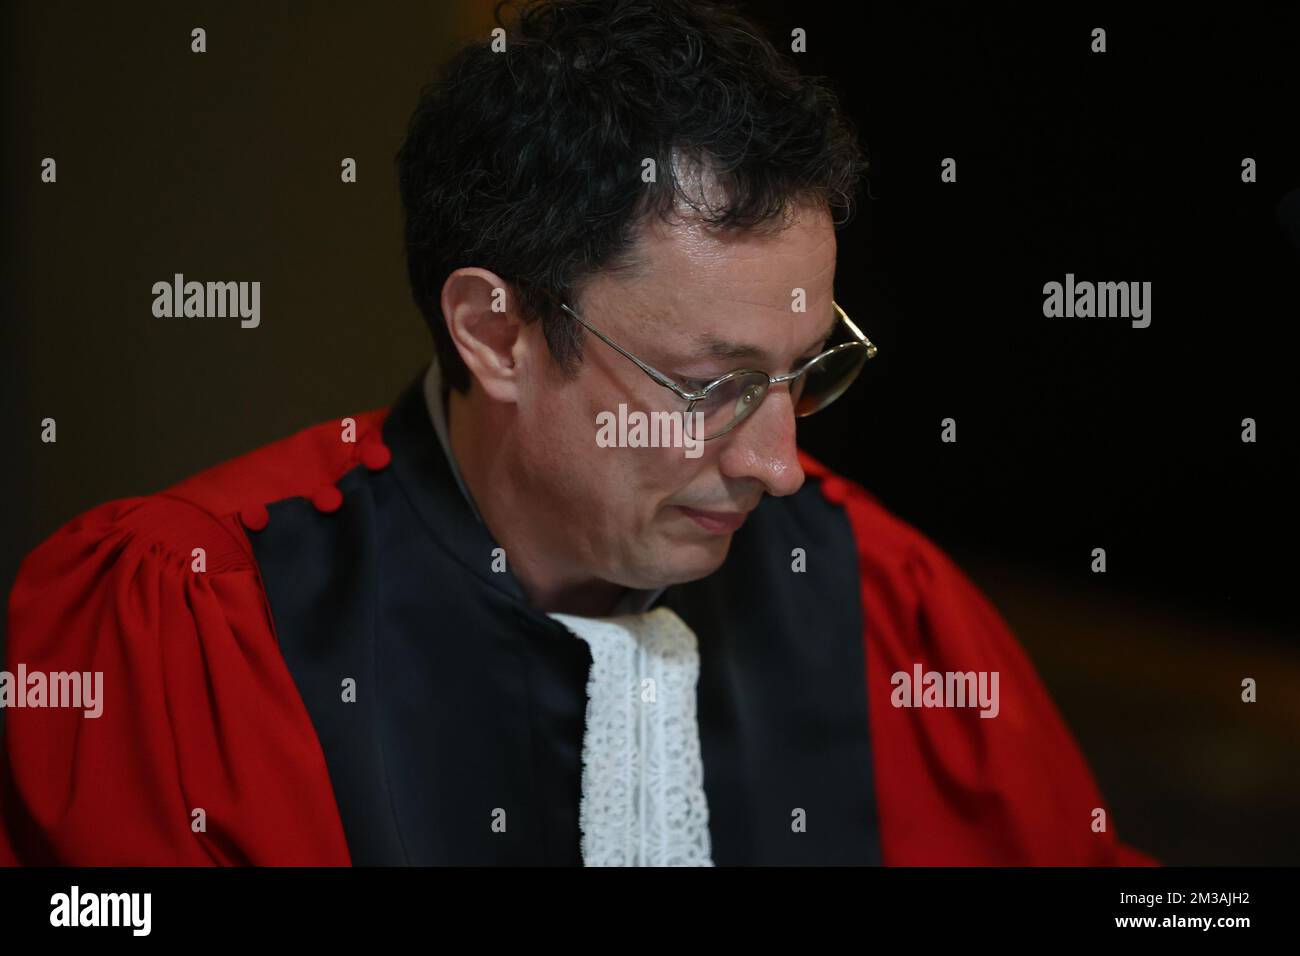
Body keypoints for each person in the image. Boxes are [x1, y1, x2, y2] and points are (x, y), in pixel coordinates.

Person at [0, 0, 1152, 866]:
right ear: (494, 331)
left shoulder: (878, 596)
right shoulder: (193, 617)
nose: (780, 464)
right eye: (710, 385)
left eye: (805, 373)